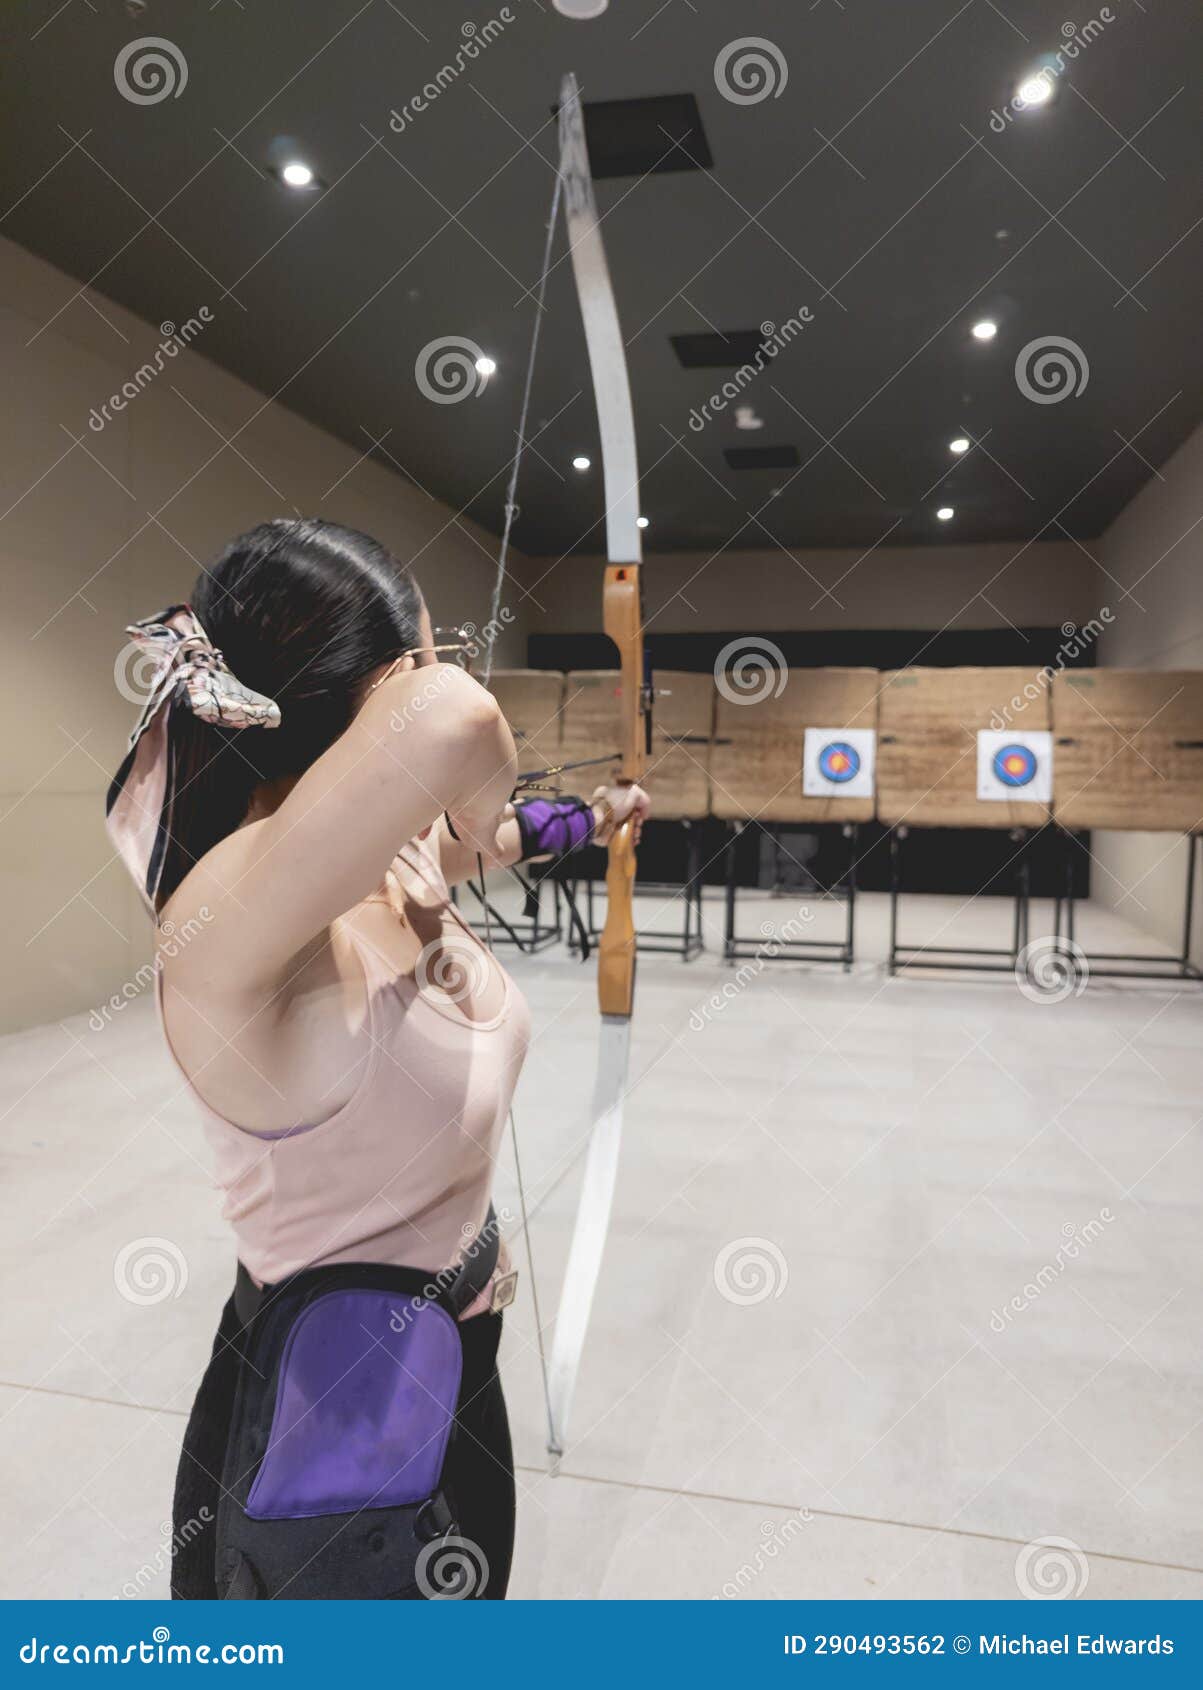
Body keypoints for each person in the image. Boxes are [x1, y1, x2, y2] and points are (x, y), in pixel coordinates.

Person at [105, 517, 649, 1600]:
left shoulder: (373, 849)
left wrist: (582, 818)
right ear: (368, 700)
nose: (445, 674)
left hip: (457, 1372)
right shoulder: (221, 928)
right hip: (328, 1437)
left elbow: (485, 833)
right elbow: (456, 725)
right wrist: (476, 766)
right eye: (422, 657)